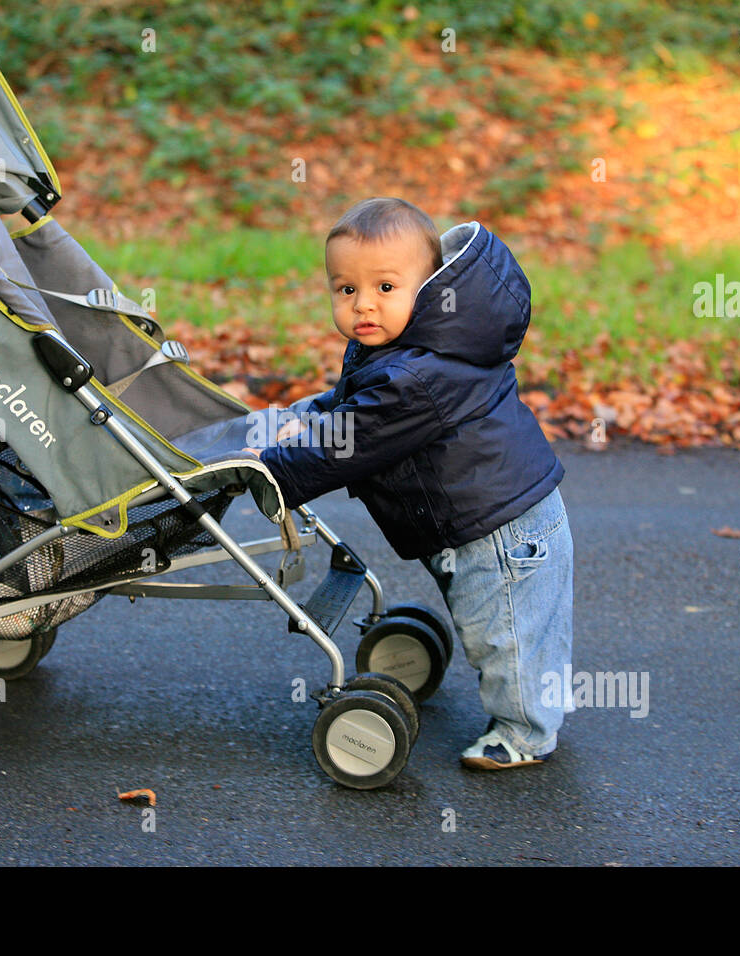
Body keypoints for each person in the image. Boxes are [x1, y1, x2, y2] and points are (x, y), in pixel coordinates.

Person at [245, 196, 573, 769]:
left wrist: (275, 468)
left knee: (507, 636)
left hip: (499, 532)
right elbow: (354, 406)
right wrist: (303, 414)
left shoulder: (420, 374)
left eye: (385, 288)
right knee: (491, 624)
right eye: (346, 290)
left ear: (430, 291)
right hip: (481, 522)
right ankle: (525, 717)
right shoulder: (410, 347)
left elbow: (351, 441)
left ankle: (526, 733)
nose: (363, 305)